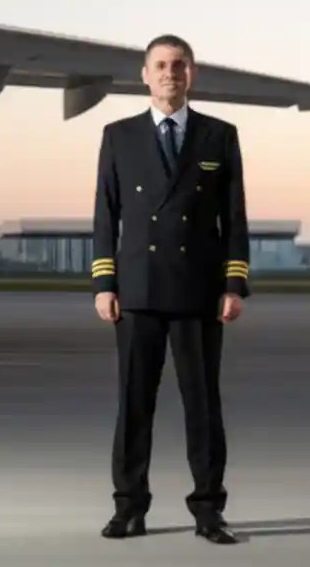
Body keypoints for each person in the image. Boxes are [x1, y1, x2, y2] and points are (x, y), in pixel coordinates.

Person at [91, 34, 248, 545]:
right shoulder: (119, 135)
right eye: (160, 65)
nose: (169, 73)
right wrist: (104, 282)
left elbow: (235, 218)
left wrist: (234, 284)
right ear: (144, 74)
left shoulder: (219, 136)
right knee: (134, 405)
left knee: (203, 407)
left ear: (192, 74)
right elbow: (105, 214)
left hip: (198, 293)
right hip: (136, 292)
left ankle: (208, 511)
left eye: (178, 65)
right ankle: (129, 508)